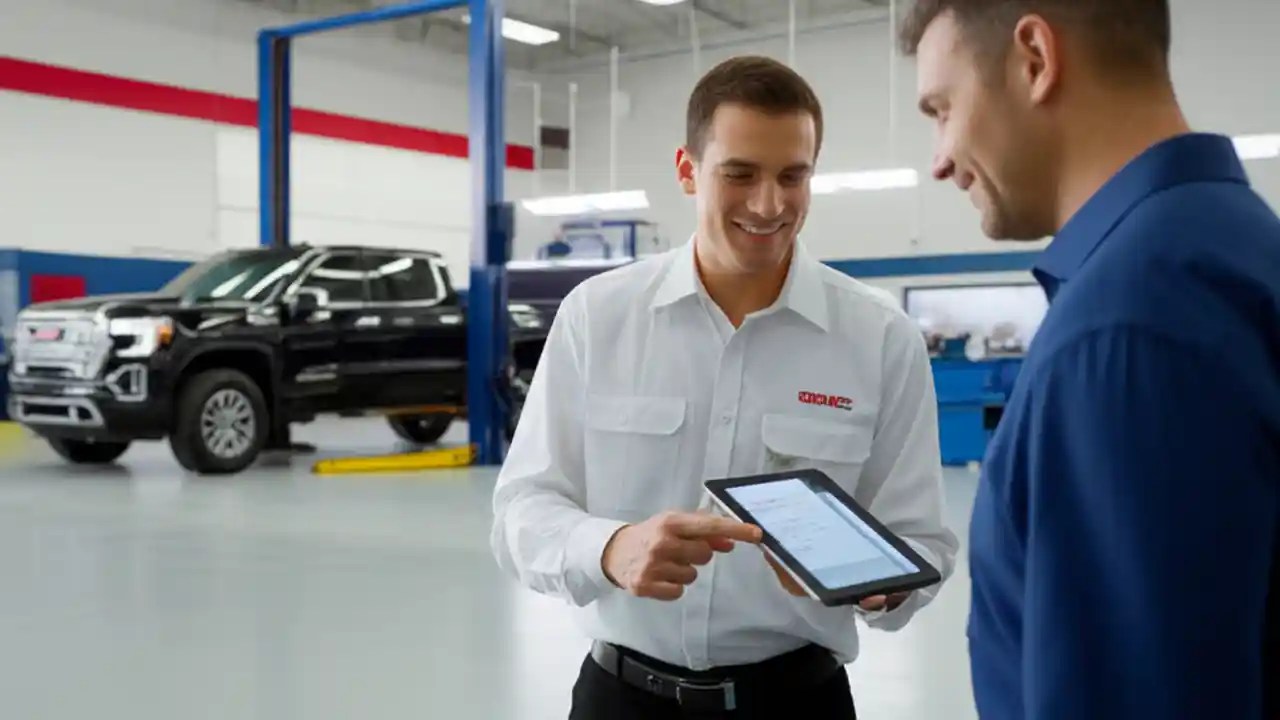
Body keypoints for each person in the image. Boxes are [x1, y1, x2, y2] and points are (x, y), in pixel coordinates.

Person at [490, 55, 959, 719]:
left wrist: (873, 585)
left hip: (799, 701)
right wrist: (611, 548)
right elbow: (521, 511)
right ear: (688, 170)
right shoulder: (600, 317)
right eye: (739, 174)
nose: (769, 205)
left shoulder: (880, 338)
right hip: (622, 699)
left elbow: (924, 543)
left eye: (792, 176)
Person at [900, 1, 1280, 718]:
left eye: (942, 109)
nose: (941, 160)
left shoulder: (1125, 327)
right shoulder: (1228, 247)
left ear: (1035, 60)